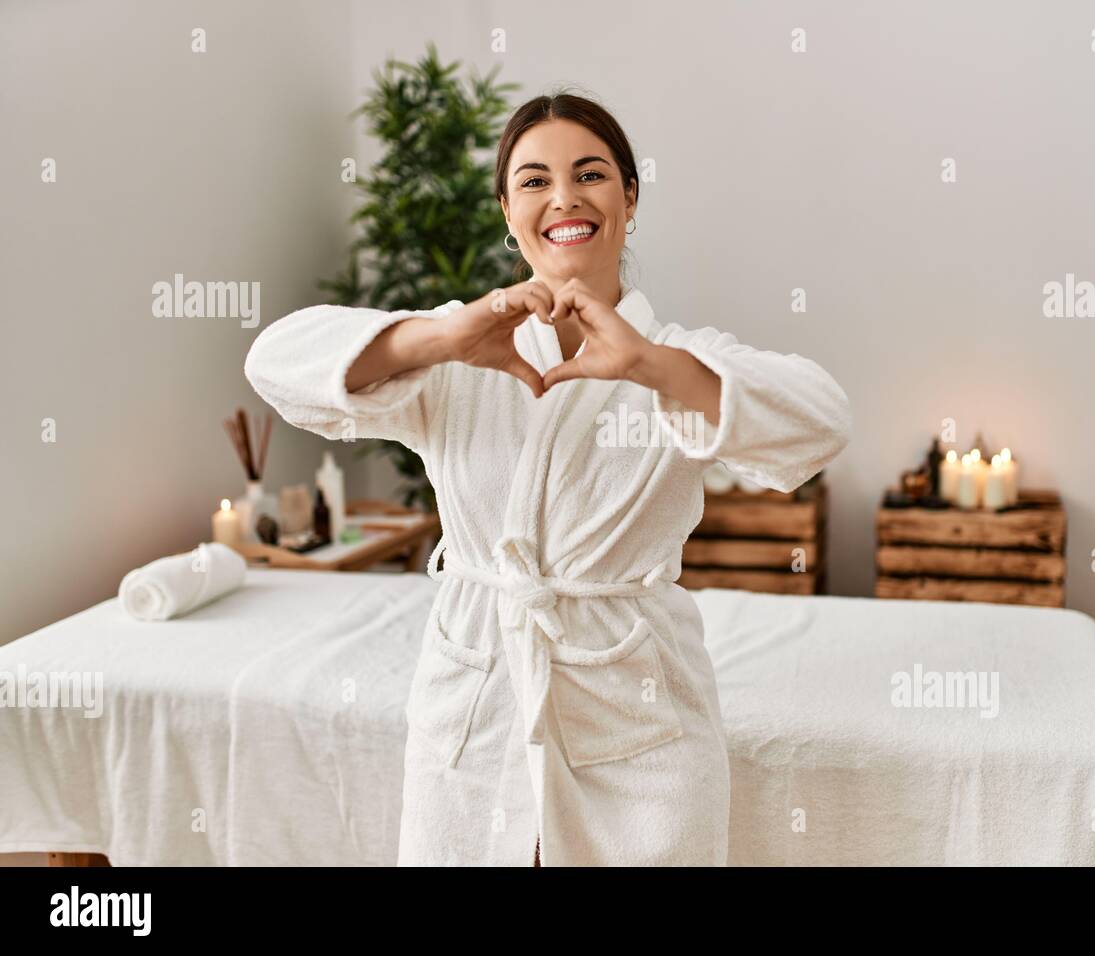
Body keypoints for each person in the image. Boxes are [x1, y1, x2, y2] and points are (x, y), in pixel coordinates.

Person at [244, 92, 851, 866]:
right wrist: (440, 337)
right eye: (534, 181)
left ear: (630, 198)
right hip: (477, 706)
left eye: (589, 174)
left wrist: (648, 364)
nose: (564, 197)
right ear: (507, 211)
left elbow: (822, 420)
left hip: (639, 729)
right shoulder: (461, 350)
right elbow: (273, 362)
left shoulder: (675, 357)